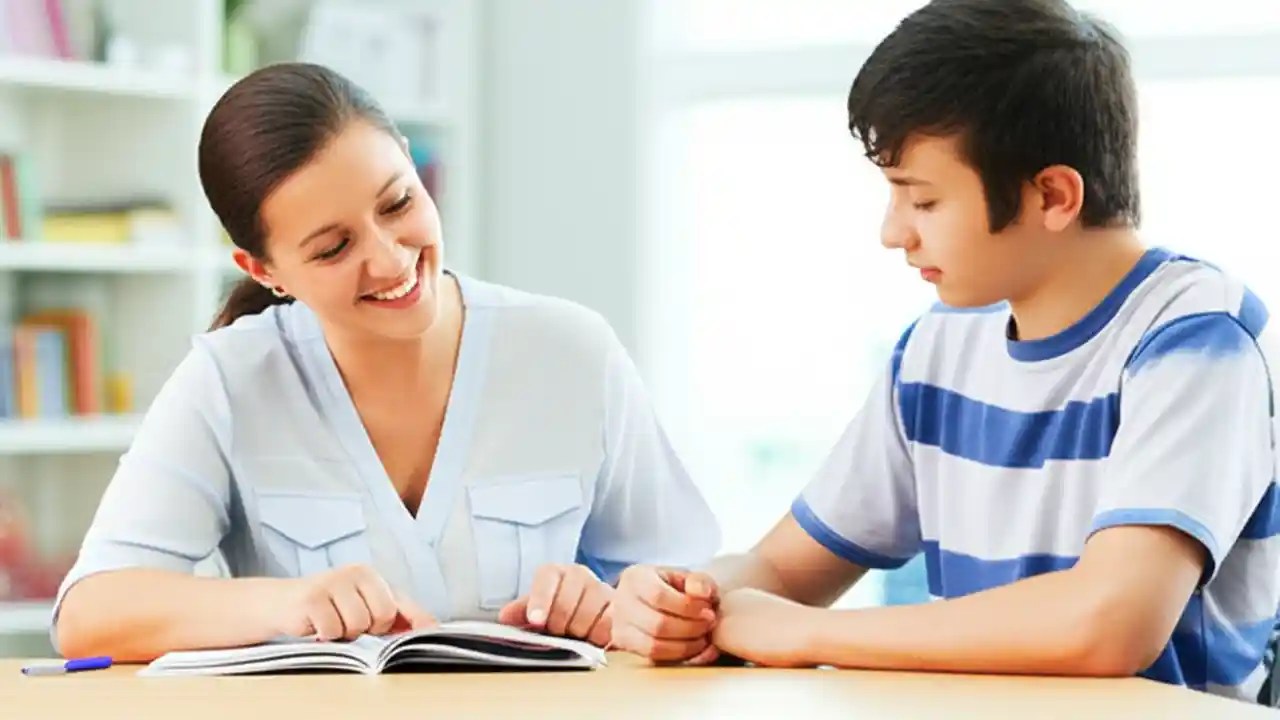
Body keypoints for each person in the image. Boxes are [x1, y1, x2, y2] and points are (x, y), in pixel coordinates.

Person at [610, 0, 1280, 704]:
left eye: (923, 201)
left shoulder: (1197, 338)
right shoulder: (939, 347)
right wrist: (686, 601)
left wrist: (806, 634)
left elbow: (1109, 624)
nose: (893, 232)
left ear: (1053, 195)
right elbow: (780, 572)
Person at [53, 62, 719, 662]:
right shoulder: (228, 381)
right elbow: (89, 613)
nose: (391, 258)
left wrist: (621, 607)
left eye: (398, 203)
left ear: (408, 159)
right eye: (333, 248)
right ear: (264, 270)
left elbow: (689, 591)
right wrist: (285, 604)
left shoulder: (572, 352)